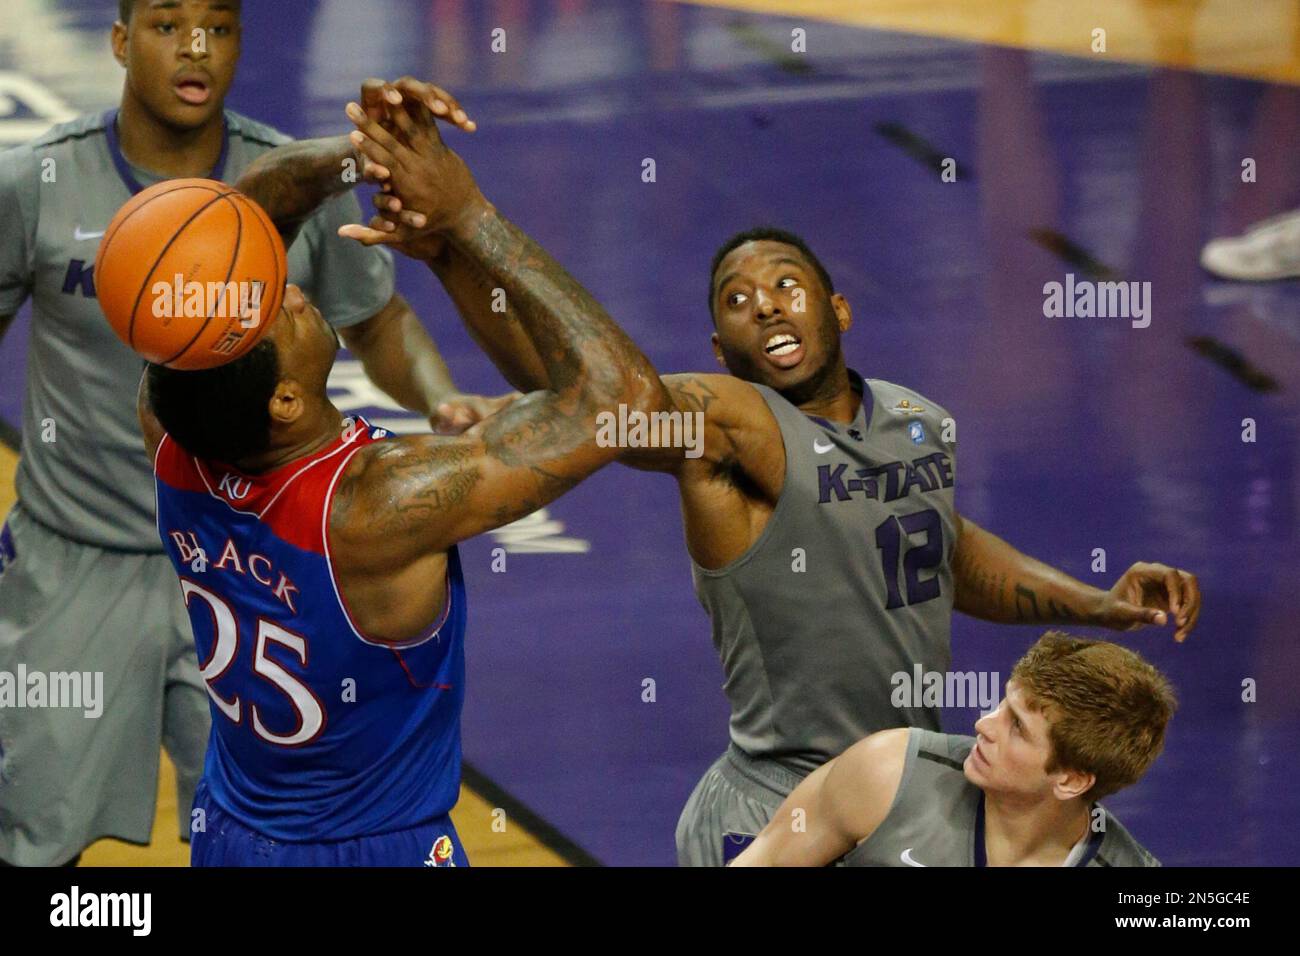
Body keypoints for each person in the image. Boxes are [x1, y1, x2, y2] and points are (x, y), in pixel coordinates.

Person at [345, 85, 1203, 866]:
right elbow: (593, 395)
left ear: (838, 311)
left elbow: (945, 550)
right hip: (770, 810)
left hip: (919, 797)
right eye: (736, 299)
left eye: (786, 284)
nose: (764, 303)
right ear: (722, 353)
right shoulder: (731, 428)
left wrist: (1098, 604)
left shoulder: (913, 418)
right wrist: (465, 232)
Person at [0, 0, 504, 866]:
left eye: (220, 26)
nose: (197, 47)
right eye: (167, 25)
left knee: (248, 828)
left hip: (248, 566)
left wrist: (442, 397)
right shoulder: (35, 182)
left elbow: (375, 318)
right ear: (118, 41)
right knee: (37, 829)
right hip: (77, 560)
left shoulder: (286, 179)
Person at [138, 80, 670, 866]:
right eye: (269, 311)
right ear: (286, 399)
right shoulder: (378, 503)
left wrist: (368, 154)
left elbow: (242, 214)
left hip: (234, 834)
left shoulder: (168, 430)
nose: (280, 286)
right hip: (374, 849)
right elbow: (625, 399)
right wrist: (468, 215)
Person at [732, 632, 1174, 867]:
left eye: (1017, 727)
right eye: (1004, 703)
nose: (984, 724)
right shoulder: (887, 772)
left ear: (1071, 779)